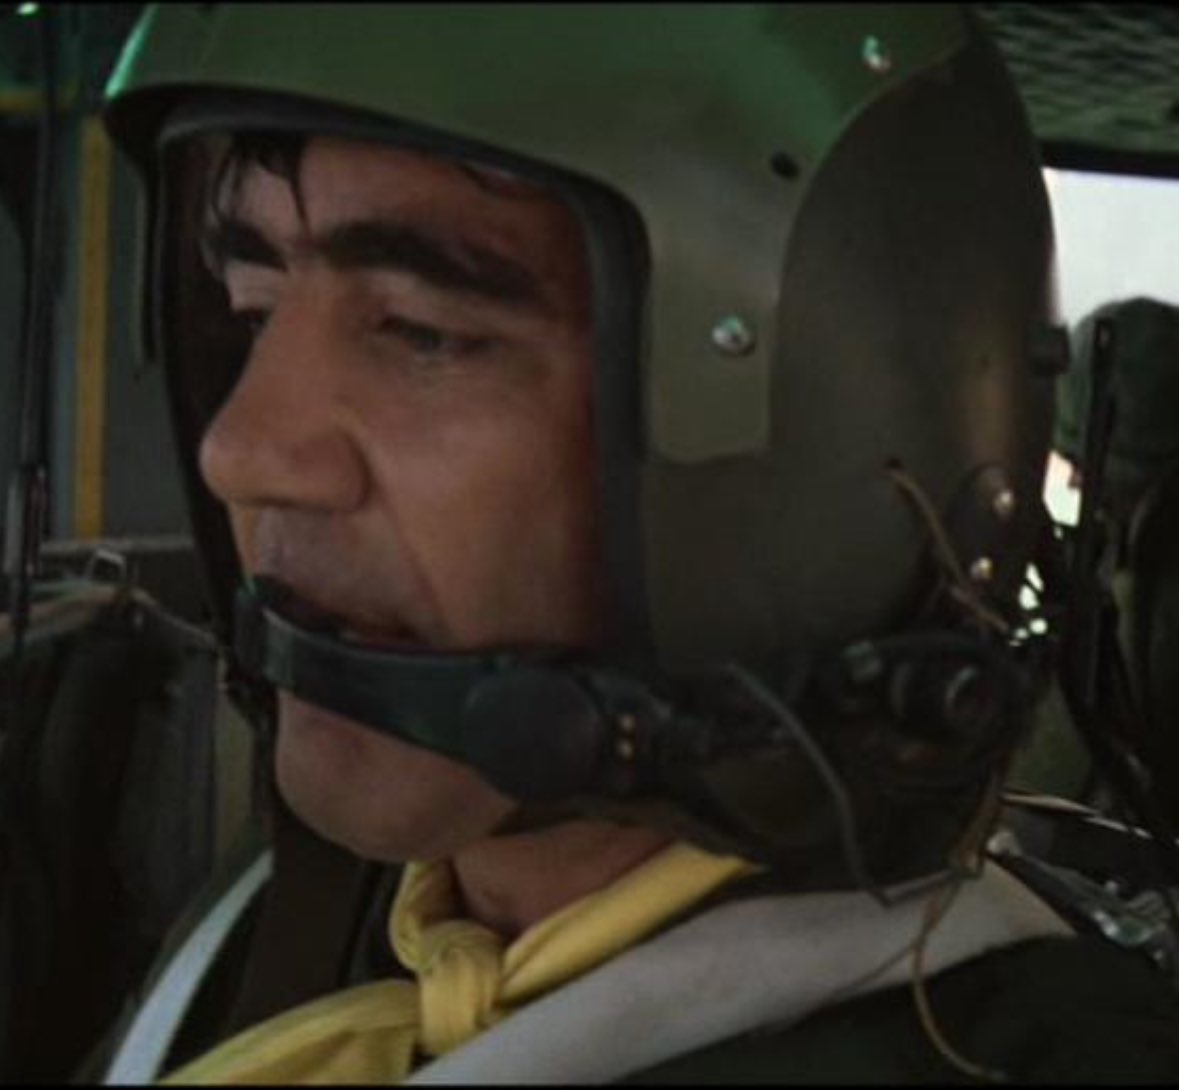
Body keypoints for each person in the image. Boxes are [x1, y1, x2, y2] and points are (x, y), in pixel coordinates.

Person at [95, 4, 1179, 1083]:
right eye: (252, 310)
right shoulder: (272, 930)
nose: (242, 452)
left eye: (423, 334)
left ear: (826, 435)